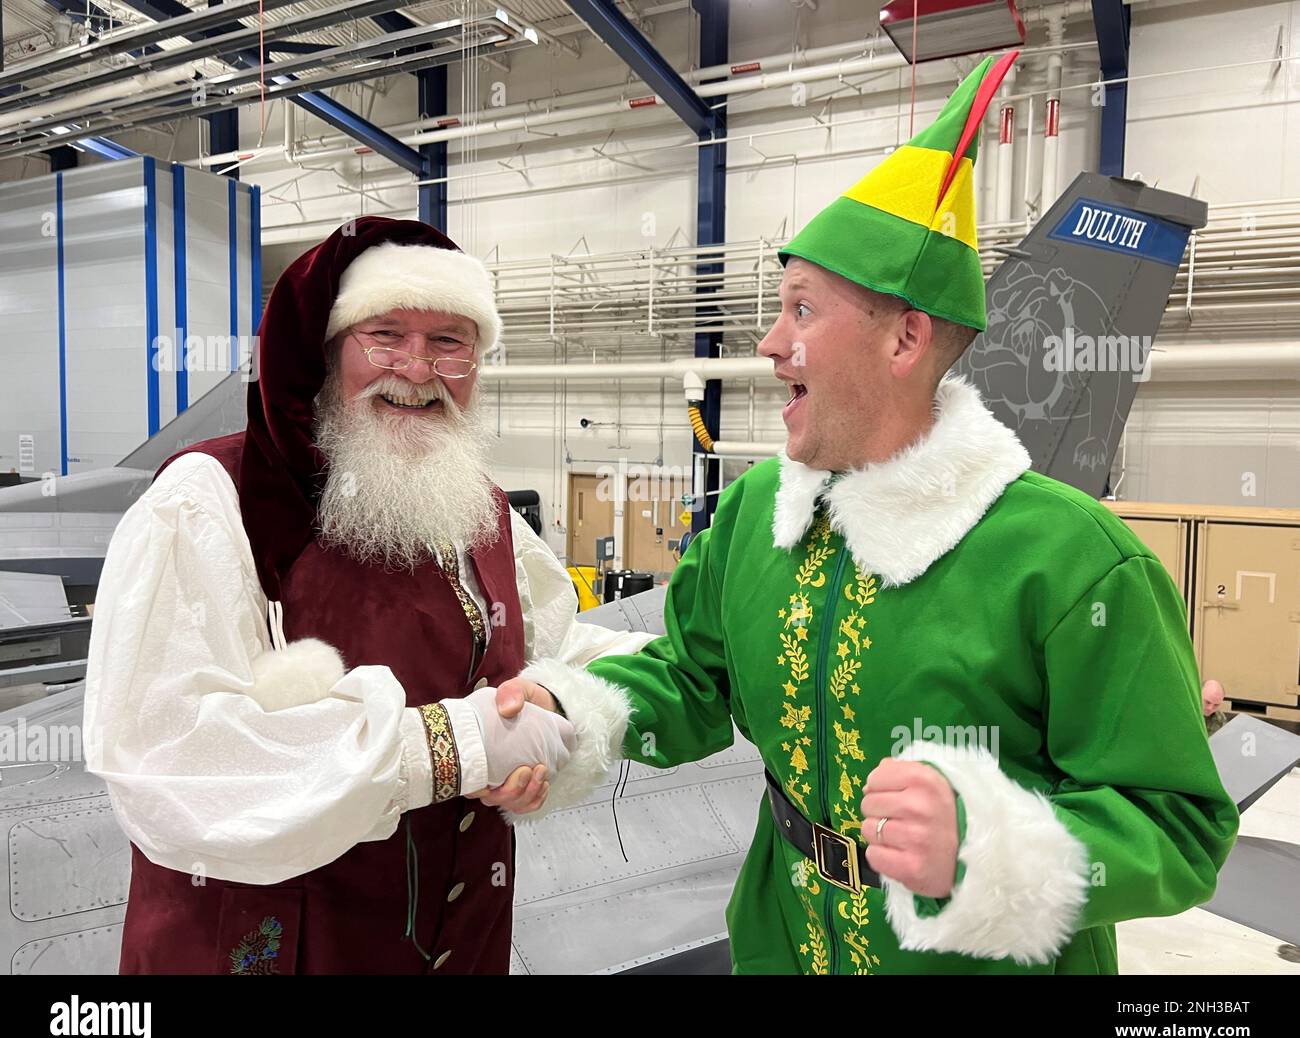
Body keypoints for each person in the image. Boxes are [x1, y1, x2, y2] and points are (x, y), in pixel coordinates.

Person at [490, 53, 1241, 974]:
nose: (769, 345)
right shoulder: (756, 511)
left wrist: (986, 850)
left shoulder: (1075, 559)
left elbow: (1179, 823)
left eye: (801, 310)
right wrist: (572, 712)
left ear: (905, 337)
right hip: (779, 942)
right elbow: (692, 679)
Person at [84, 217, 650, 974]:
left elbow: (550, 647)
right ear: (328, 353)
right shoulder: (209, 500)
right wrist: (460, 745)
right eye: (385, 335)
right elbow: (167, 754)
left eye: (450, 342)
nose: (418, 369)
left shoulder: (480, 511)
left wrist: (555, 721)